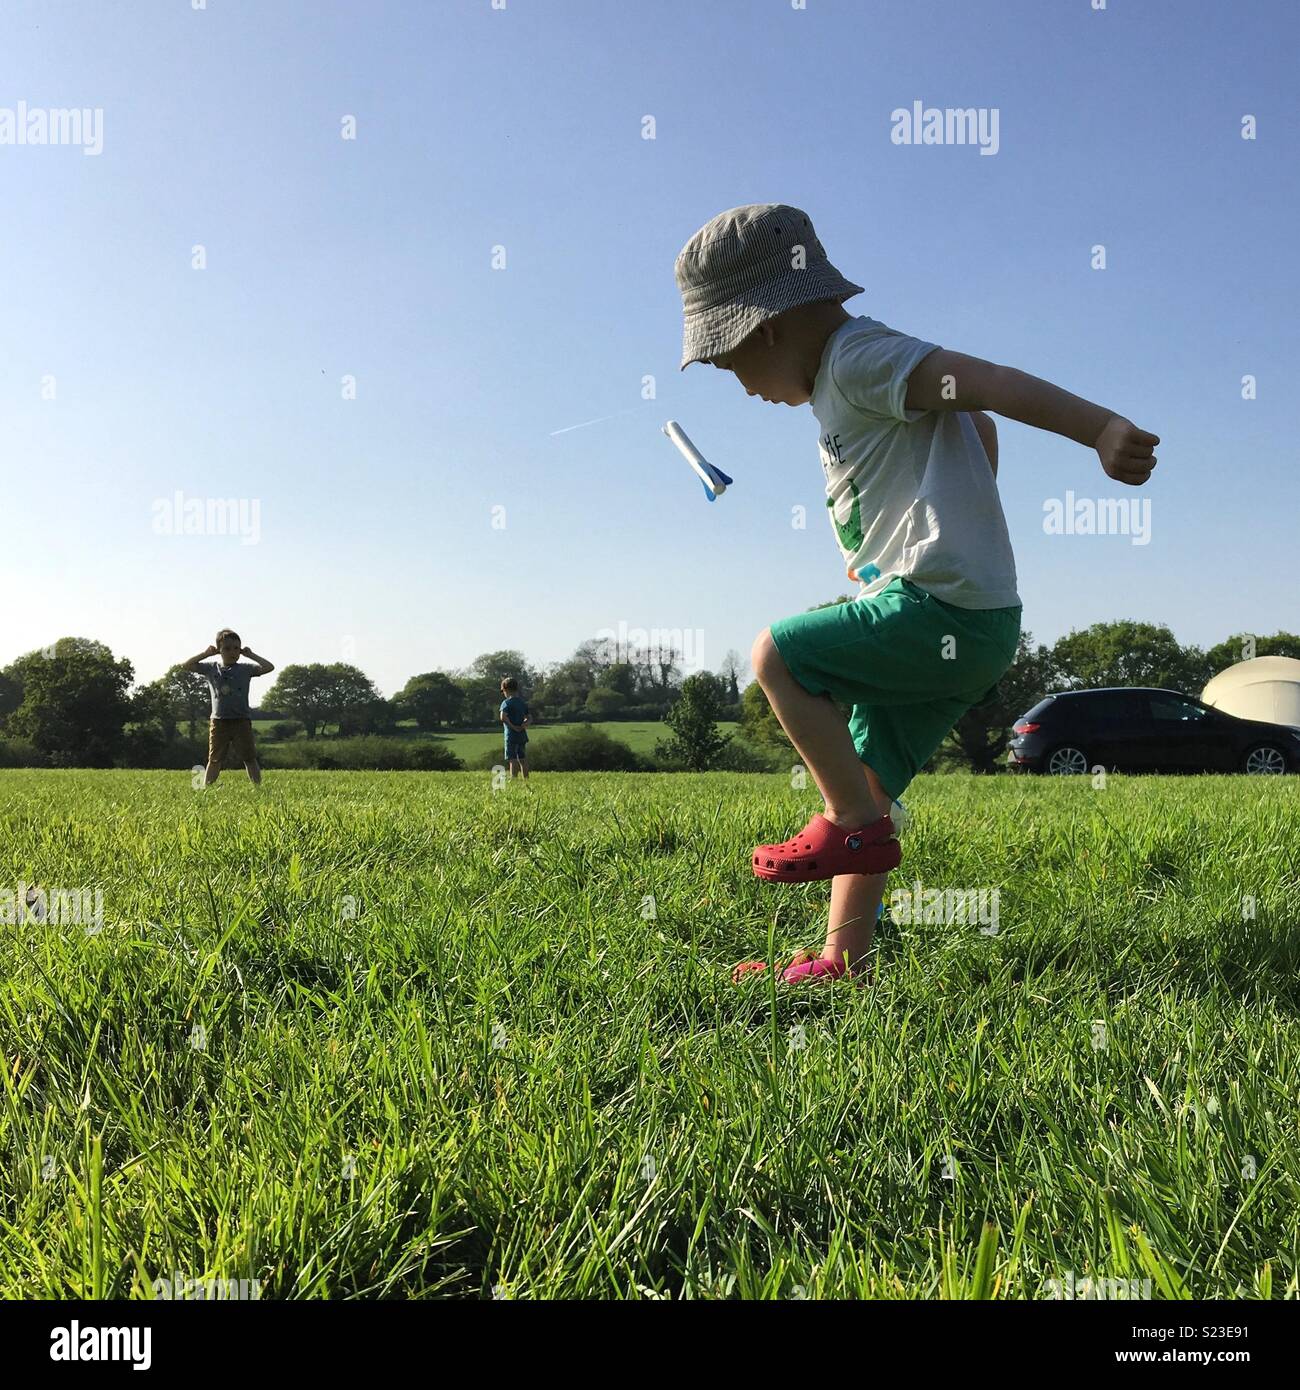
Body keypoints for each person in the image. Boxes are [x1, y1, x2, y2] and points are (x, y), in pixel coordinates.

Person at [674, 204, 1158, 984]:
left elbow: (987, 383)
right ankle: (846, 959)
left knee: (778, 656)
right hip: (971, 624)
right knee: (865, 780)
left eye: (729, 366)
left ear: (760, 328)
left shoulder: (856, 358)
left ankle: (853, 826)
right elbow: (973, 419)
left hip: (941, 613)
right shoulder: (853, 374)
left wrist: (1100, 429)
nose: (742, 389)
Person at [182, 629, 275, 785]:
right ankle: (206, 788)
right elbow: (187, 665)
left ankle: (258, 788)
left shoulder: (246, 669)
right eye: (227, 648)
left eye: (236, 648)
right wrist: (206, 654)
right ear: (219, 650)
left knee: (249, 758)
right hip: (219, 722)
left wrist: (251, 655)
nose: (232, 652)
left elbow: (269, 667)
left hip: (241, 721)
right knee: (215, 758)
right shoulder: (211, 668)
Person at [499, 677, 530, 779]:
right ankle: (526, 778)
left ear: (505, 689)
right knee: (522, 758)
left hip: (511, 735)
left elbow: (503, 717)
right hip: (522, 734)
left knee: (512, 758)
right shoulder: (521, 703)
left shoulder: (506, 703)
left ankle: (514, 778)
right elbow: (529, 718)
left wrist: (513, 727)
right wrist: (523, 726)